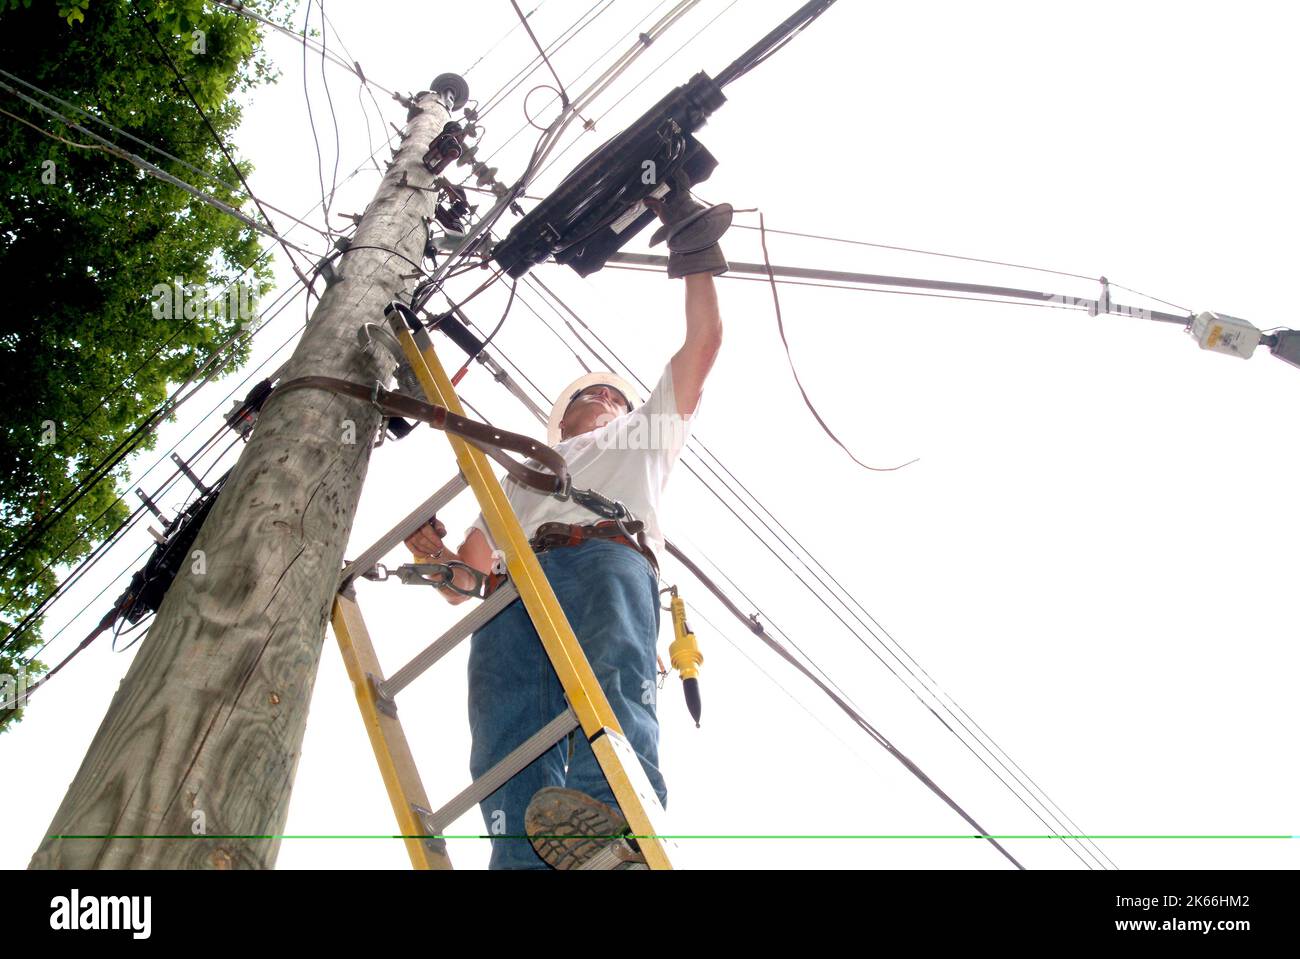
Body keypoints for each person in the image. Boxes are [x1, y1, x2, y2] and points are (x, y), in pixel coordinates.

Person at [405, 175, 732, 869]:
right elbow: (466, 577)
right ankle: (522, 860)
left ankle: (615, 834)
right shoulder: (518, 475)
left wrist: (690, 238)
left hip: (606, 554)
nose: (607, 397)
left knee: (613, 685)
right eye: (593, 394)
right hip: (516, 588)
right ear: (566, 415)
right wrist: (435, 557)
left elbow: (703, 343)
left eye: (614, 392)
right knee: (504, 732)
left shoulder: (646, 432)